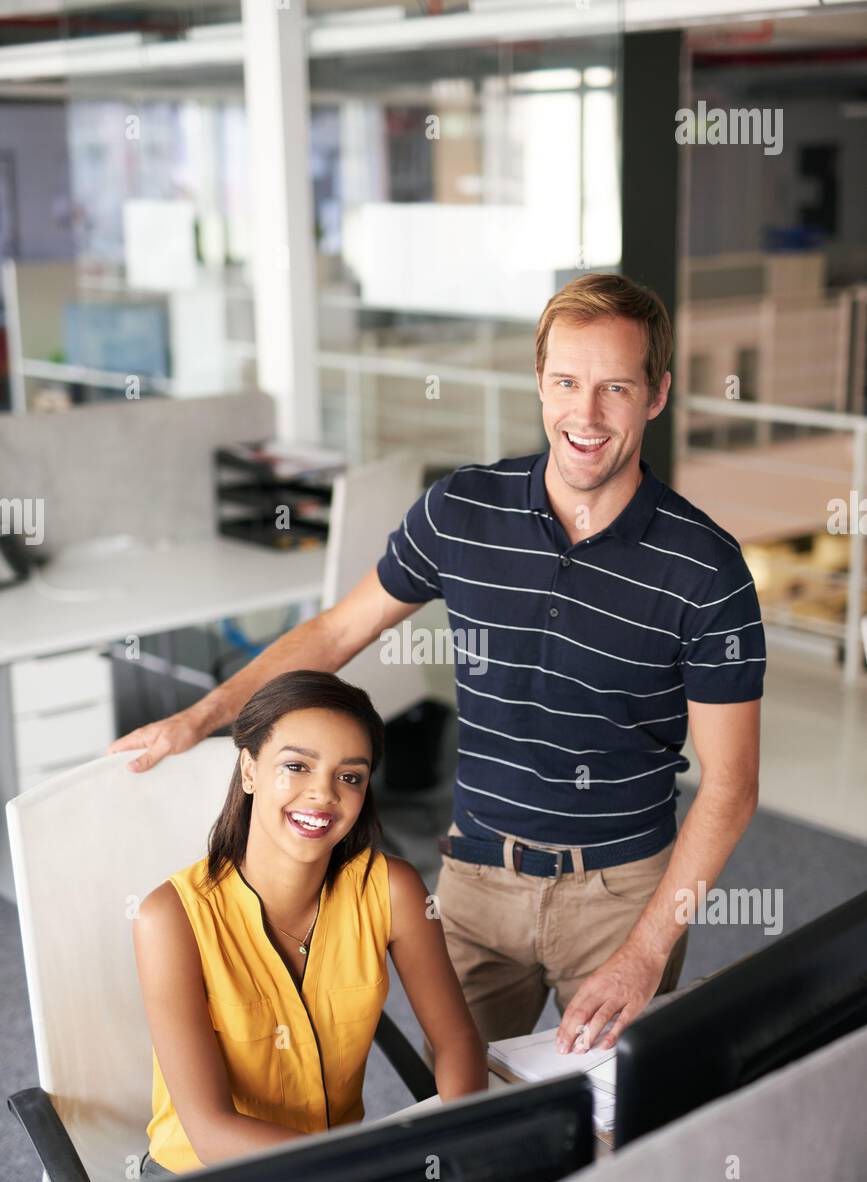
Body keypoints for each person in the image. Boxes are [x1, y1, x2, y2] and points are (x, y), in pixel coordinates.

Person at [112, 272, 764, 1073]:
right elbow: (336, 630)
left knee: (615, 1130)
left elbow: (730, 786)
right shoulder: (462, 511)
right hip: (474, 880)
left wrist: (645, 949)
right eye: (565, 382)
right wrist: (199, 718)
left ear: (655, 394)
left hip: (622, 895)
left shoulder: (704, 567)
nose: (584, 415)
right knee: (461, 1118)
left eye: (614, 388)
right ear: (538, 383)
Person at [135, 669, 486, 1178]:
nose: (323, 795)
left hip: (336, 1173)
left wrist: (456, 1139)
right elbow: (210, 1132)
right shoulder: (169, 917)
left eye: (349, 776)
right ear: (250, 770)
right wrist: (377, 1164)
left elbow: (457, 1041)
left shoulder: (393, 889)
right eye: (297, 766)